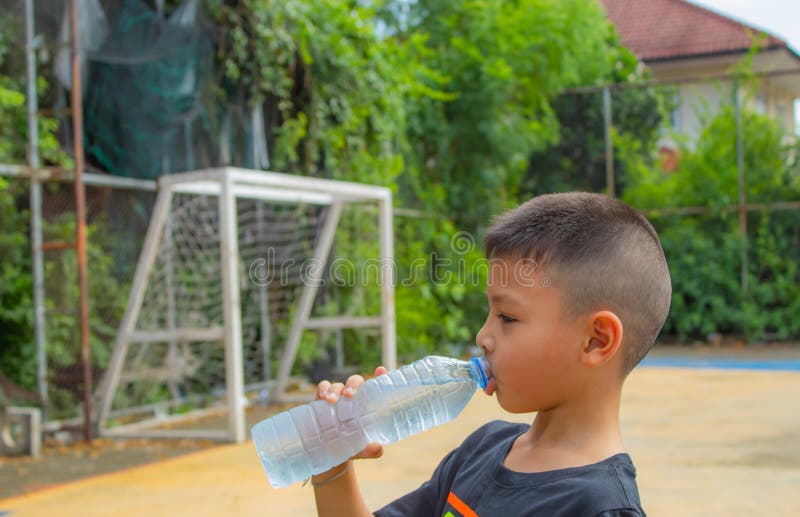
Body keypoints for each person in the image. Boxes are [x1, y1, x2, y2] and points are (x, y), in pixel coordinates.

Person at [311, 192, 671, 516]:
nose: (483, 336)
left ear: (596, 341)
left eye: (508, 317)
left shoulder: (599, 509)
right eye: (490, 313)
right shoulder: (483, 450)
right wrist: (333, 465)